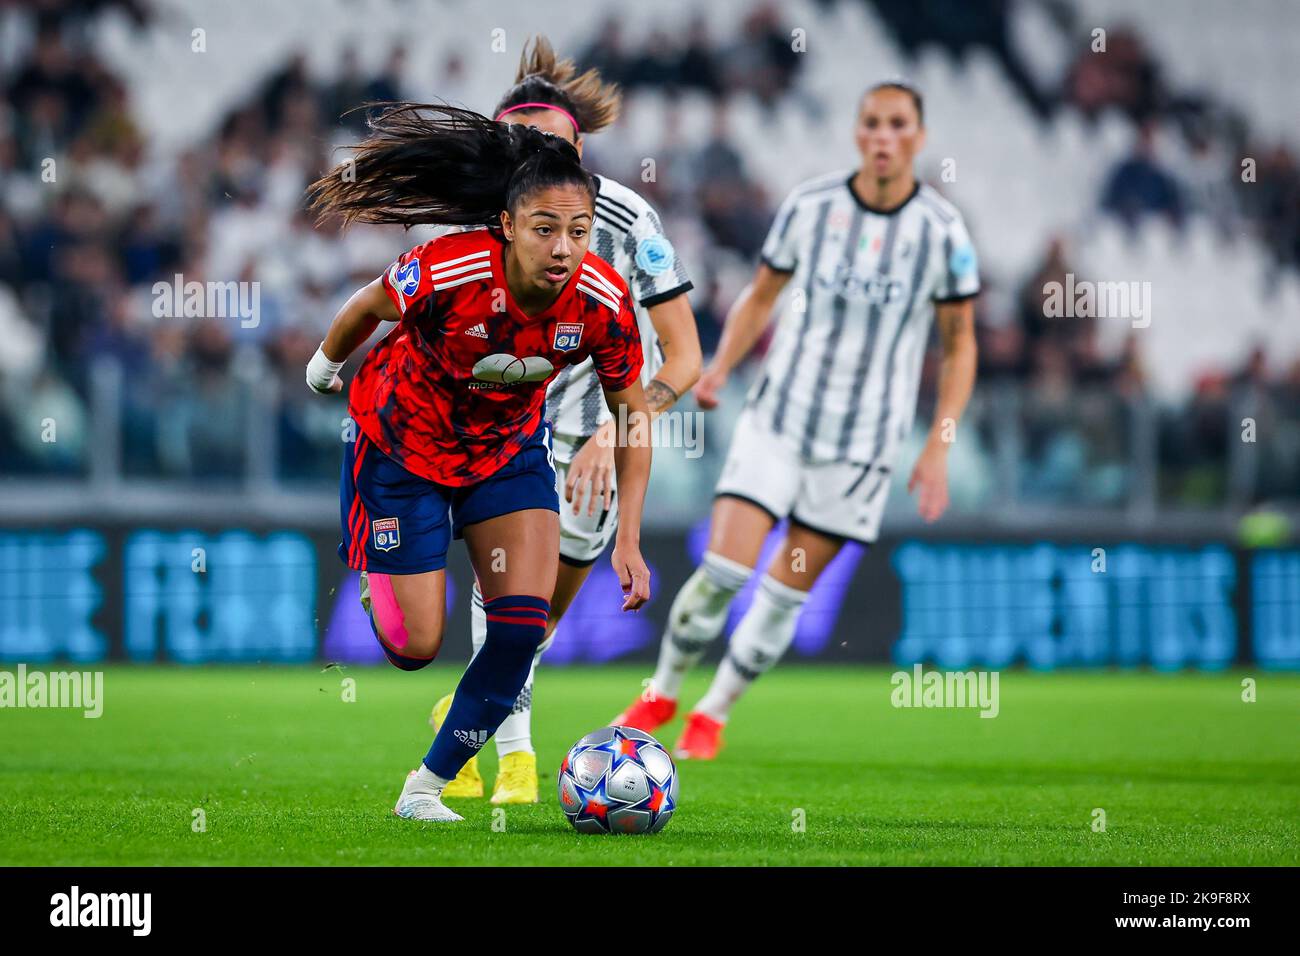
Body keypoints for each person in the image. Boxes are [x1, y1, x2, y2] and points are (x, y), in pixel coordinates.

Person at [305, 104, 652, 821]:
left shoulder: (604, 303)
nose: (563, 248)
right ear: (506, 225)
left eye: (579, 232)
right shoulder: (450, 266)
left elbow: (632, 415)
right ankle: (380, 570)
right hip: (404, 448)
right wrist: (323, 365)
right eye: (545, 229)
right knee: (415, 647)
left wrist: (629, 538)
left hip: (506, 454)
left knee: (521, 629)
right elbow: (369, 306)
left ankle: (424, 788)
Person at [614, 81, 980, 760]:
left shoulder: (943, 232)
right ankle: (663, 690)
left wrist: (939, 444)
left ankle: (714, 712)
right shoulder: (811, 207)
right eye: (871, 122)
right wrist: (721, 364)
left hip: (863, 450)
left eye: (898, 124)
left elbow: (960, 344)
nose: (883, 136)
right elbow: (761, 295)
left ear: (918, 137)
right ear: (857, 131)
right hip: (778, 422)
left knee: (783, 595)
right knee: (724, 571)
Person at [429, 37, 701, 805]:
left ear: (581, 153)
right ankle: (514, 757)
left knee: (538, 623)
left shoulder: (630, 218)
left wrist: (617, 429)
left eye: (554, 147)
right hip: (502, 428)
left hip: (597, 432)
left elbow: (684, 359)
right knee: (509, 592)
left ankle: (469, 710)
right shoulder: (485, 218)